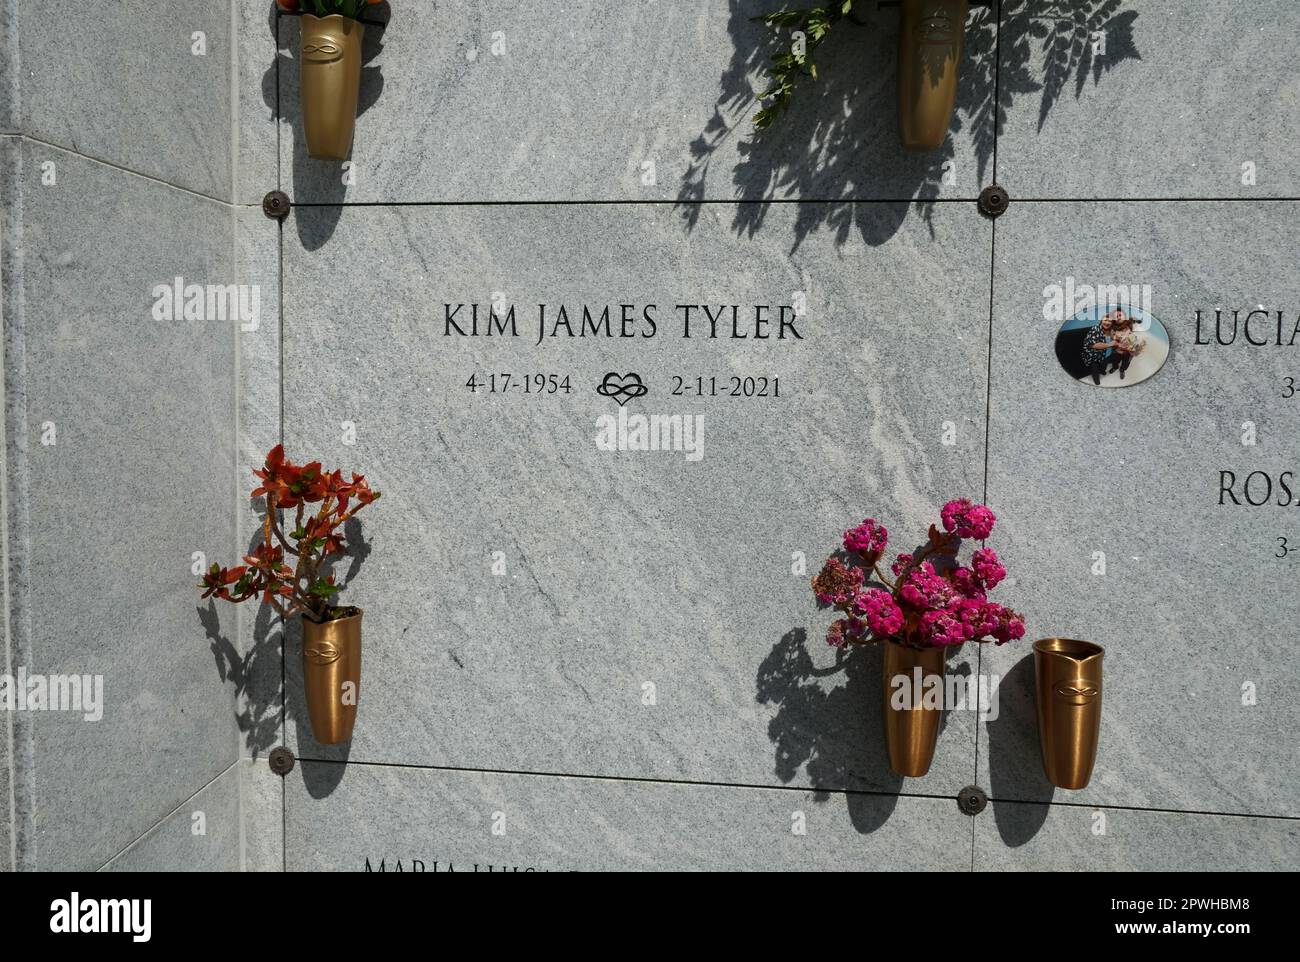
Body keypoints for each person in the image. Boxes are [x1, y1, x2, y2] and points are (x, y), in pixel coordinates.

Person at [1081, 312, 1116, 385]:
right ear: (1101, 320)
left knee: (1104, 365)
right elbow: (1094, 345)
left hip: (1106, 354)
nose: (1107, 322)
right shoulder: (1095, 329)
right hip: (1094, 355)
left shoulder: (1111, 330)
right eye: (1105, 320)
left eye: (1110, 321)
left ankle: (1102, 371)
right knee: (1095, 370)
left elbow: (1113, 339)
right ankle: (1096, 381)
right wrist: (1110, 344)